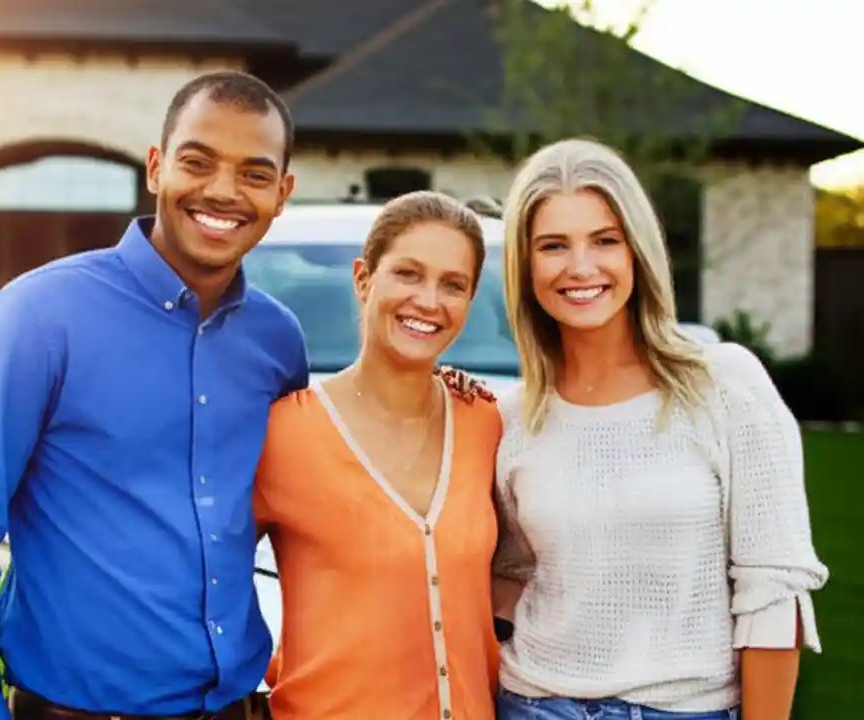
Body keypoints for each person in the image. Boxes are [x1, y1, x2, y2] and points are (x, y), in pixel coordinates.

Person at [0, 70, 306, 720]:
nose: (222, 191)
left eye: (254, 173)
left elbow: (303, 521)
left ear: (282, 193)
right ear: (155, 167)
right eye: (197, 162)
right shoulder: (37, 316)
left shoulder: (278, 342)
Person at [491, 138, 829, 720]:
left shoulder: (723, 384)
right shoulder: (515, 416)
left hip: (686, 708)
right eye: (553, 245)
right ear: (525, 266)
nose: (581, 267)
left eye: (605, 240)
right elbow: (508, 575)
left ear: (637, 251)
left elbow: (774, 594)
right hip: (535, 705)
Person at [254, 190, 503, 720]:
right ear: (363, 279)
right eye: (408, 274)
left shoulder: (486, 422)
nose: (429, 301)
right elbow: (208, 584)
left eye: (453, 284)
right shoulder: (282, 433)